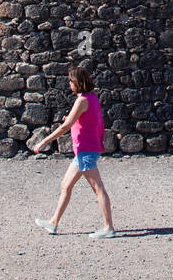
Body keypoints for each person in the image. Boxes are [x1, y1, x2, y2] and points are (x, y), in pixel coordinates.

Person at [31, 66, 115, 238]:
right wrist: (71, 120)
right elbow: (86, 119)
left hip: (86, 151)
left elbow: (65, 127)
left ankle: (108, 228)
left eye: (71, 81)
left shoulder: (82, 101)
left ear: (78, 82)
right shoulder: (91, 98)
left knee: (98, 189)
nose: (69, 84)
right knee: (66, 186)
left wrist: (45, 140)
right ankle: (53, 222)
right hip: (85, 150)